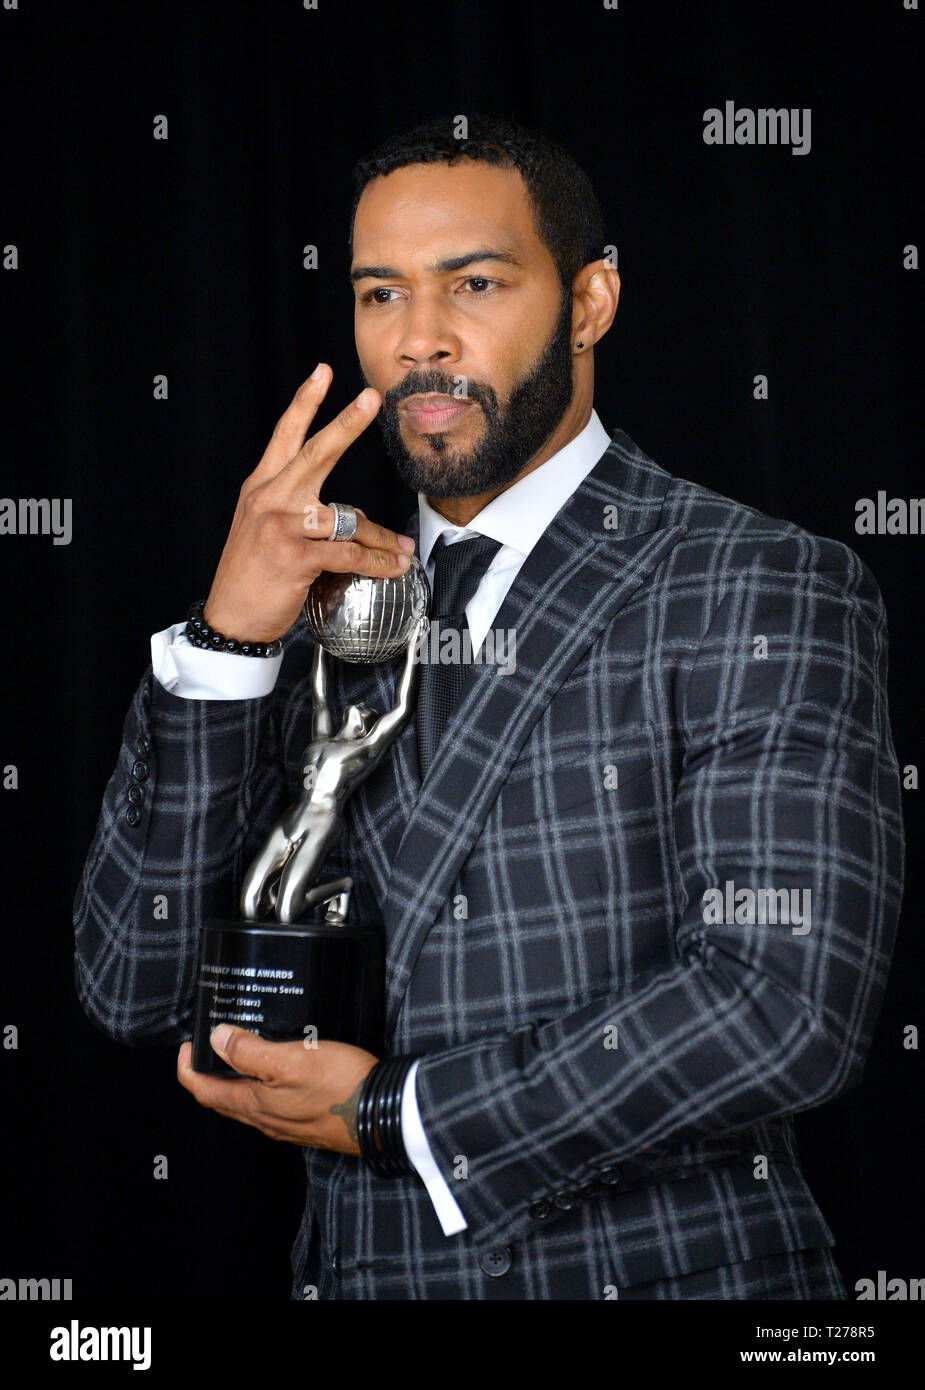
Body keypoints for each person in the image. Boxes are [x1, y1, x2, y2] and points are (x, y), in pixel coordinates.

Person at [74, 114, 905, 1300]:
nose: (419, 341)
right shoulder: (319, 600)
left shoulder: (752, 579)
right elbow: (134, 985)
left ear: (589, 302)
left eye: (473, 283)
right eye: (378, 295)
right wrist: (229, 641)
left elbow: (779, 1009)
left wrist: (392, 1111)